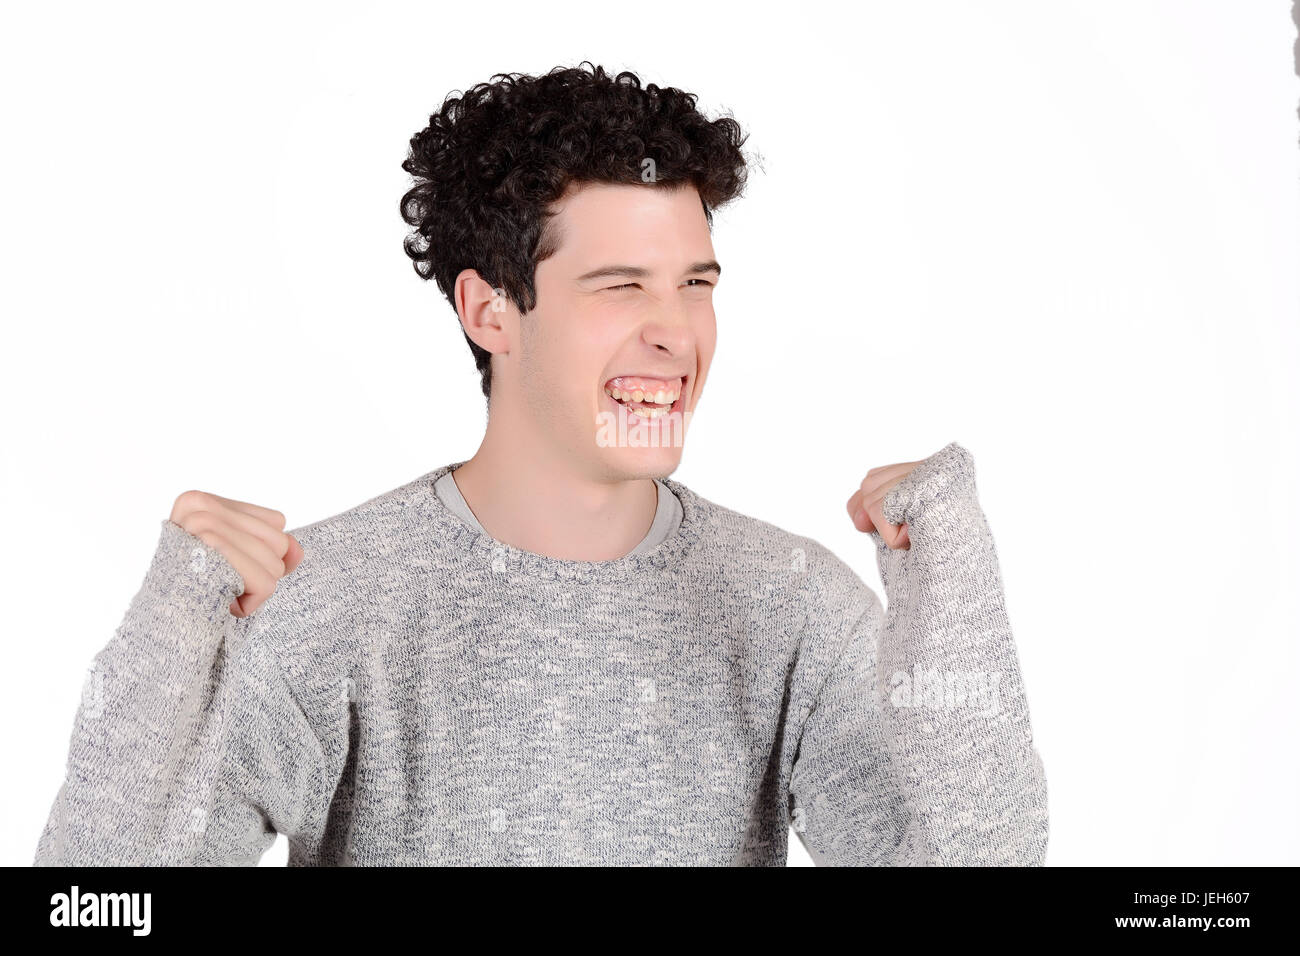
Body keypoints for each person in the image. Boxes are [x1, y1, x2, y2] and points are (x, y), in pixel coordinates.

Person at [34, 62, 1048, 866]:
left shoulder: (791, 608)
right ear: (489, 310)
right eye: (620, 286)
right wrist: (176, 638)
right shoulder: (326, 601)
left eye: (694, 283)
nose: (675, 333)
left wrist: (944, 581)